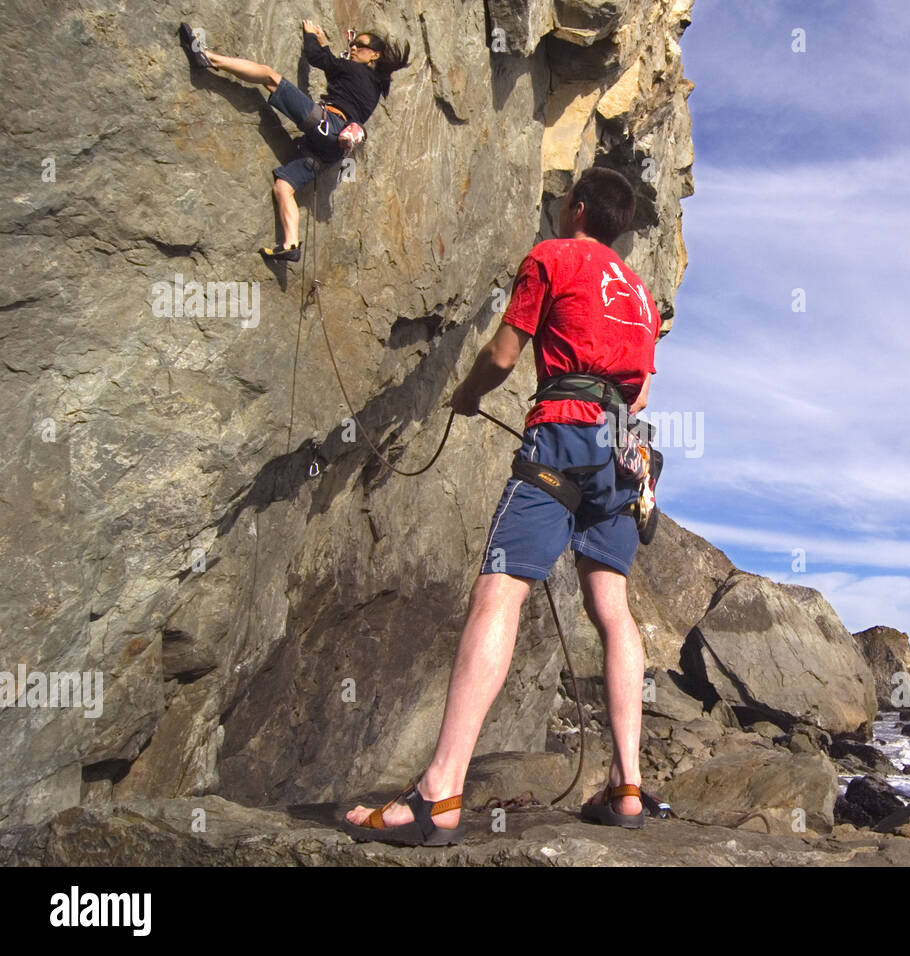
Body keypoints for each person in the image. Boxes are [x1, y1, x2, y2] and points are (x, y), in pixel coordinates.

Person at [343, 167, 662, 845]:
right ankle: (628, 784)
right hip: (624, 457)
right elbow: (638, 400)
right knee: (612, 608)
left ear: (576, 209)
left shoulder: (552, 256)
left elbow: (504, 353)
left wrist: (468, 395)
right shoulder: (640, 293)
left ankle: (440, 793)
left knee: (499, 593)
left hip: (563, 437)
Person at [179, 20, 410, 261]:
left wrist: (311, 36)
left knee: (270, 78)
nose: (352, 47)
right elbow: (336, 70)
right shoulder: (373, 88)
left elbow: (316, 57)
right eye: (351, 43)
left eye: (358, 45)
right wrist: (326, 45)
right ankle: (291, 244)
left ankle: (207, 58)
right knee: (284, 186)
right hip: (331, 152)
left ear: (374, 54)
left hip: (327, 123)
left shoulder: (354, 70)